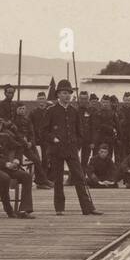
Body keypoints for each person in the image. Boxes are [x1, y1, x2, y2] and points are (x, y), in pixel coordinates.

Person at [41, 79, 102, 215]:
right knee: (58, 179)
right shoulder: (51, 111)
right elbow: (44, 131)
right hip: (56, 150)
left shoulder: (74, 111)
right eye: (63, 93)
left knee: (79, 177)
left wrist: (77, 143)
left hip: (72, 150)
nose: (67, 96)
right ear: (58, 95)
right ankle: (60, 208)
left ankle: (87, 208)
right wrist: (53, 139)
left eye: (69, 93)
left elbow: (80, 132)